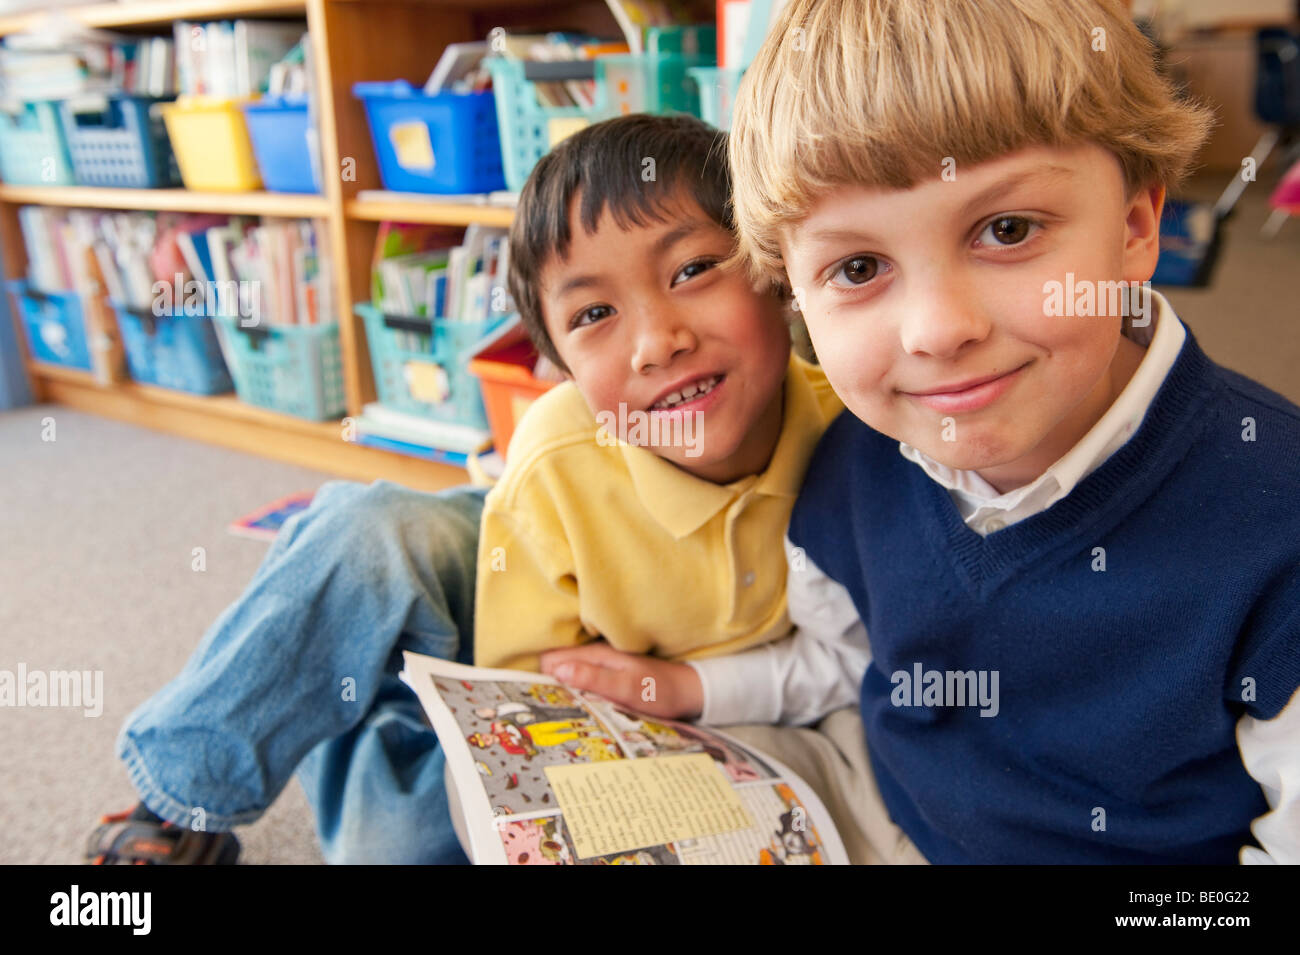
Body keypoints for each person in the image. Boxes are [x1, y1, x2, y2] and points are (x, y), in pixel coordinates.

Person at [89, 113, 852, 864]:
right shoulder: (557, 451)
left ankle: (356, 703)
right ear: (559, 365)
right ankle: (179, 798)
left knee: (387, 848)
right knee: (369, 539)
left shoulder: (851, 437)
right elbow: (518, 688)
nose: (658, 341)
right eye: (595, 314)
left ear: (776, 271)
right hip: (517, 586)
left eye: (692, 270)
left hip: (677, 689)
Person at [714, 0, 1298, 863]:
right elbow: (844, 662)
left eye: (1008, 229)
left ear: (1138, 227)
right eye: (859, 267)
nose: (938, 330)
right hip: (883, 814)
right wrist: (689, 690)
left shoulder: (1274, 522)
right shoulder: (851, 459)